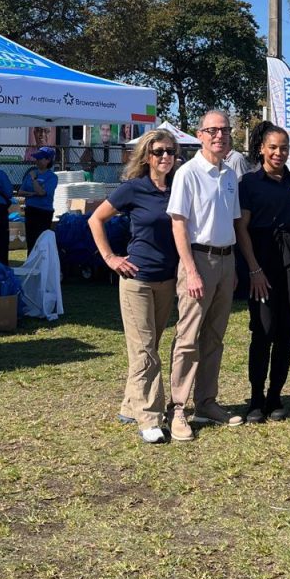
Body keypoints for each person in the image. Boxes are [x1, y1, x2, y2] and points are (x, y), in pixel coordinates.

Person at [89, 129, 179, 445]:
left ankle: (130, 404)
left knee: (149, 347)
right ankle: (151, 418)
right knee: (144, 351)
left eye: (170, 151)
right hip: (136, 280)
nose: (165, 156)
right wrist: (110, 257)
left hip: (167, 280)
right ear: (146, 156)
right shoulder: (133, 189)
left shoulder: (178, 187)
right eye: (158, 152)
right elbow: (95, 219)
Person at [166, 110, 245, 441]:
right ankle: (178, 409)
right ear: (199, 135)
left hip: (226, 262)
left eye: (224, 130)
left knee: (214, 337)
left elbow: (233, 222)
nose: (219, 135)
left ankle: (207, 401)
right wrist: (191, 270)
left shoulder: (229, 174)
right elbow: (178, 223)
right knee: (188, 339)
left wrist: (234, 267)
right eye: (212, 130)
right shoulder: (188, 173)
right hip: (198, 261)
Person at [235, 122, 290, 423]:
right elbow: (242, 228)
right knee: (263, 330)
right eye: (273, 147)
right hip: (261, 258)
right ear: (262, 149)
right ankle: (256, 398)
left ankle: (276, 395)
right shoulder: (249, 183)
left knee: (286, 331)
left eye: (284, 148)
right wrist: (254, 269)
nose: (279, 153)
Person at [19, 146, 58, 251]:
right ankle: (30, 264)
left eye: (40, 158)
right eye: (36, 158)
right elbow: (21, 191)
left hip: (44, 212)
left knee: (41, 242)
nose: (36, 160)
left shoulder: (52, 177)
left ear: (48, 160)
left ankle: (42, 264)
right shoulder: (31, 173)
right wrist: (32, 193)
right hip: (31, 210)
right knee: (31, 242)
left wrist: (34, 179)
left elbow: (41, 192)